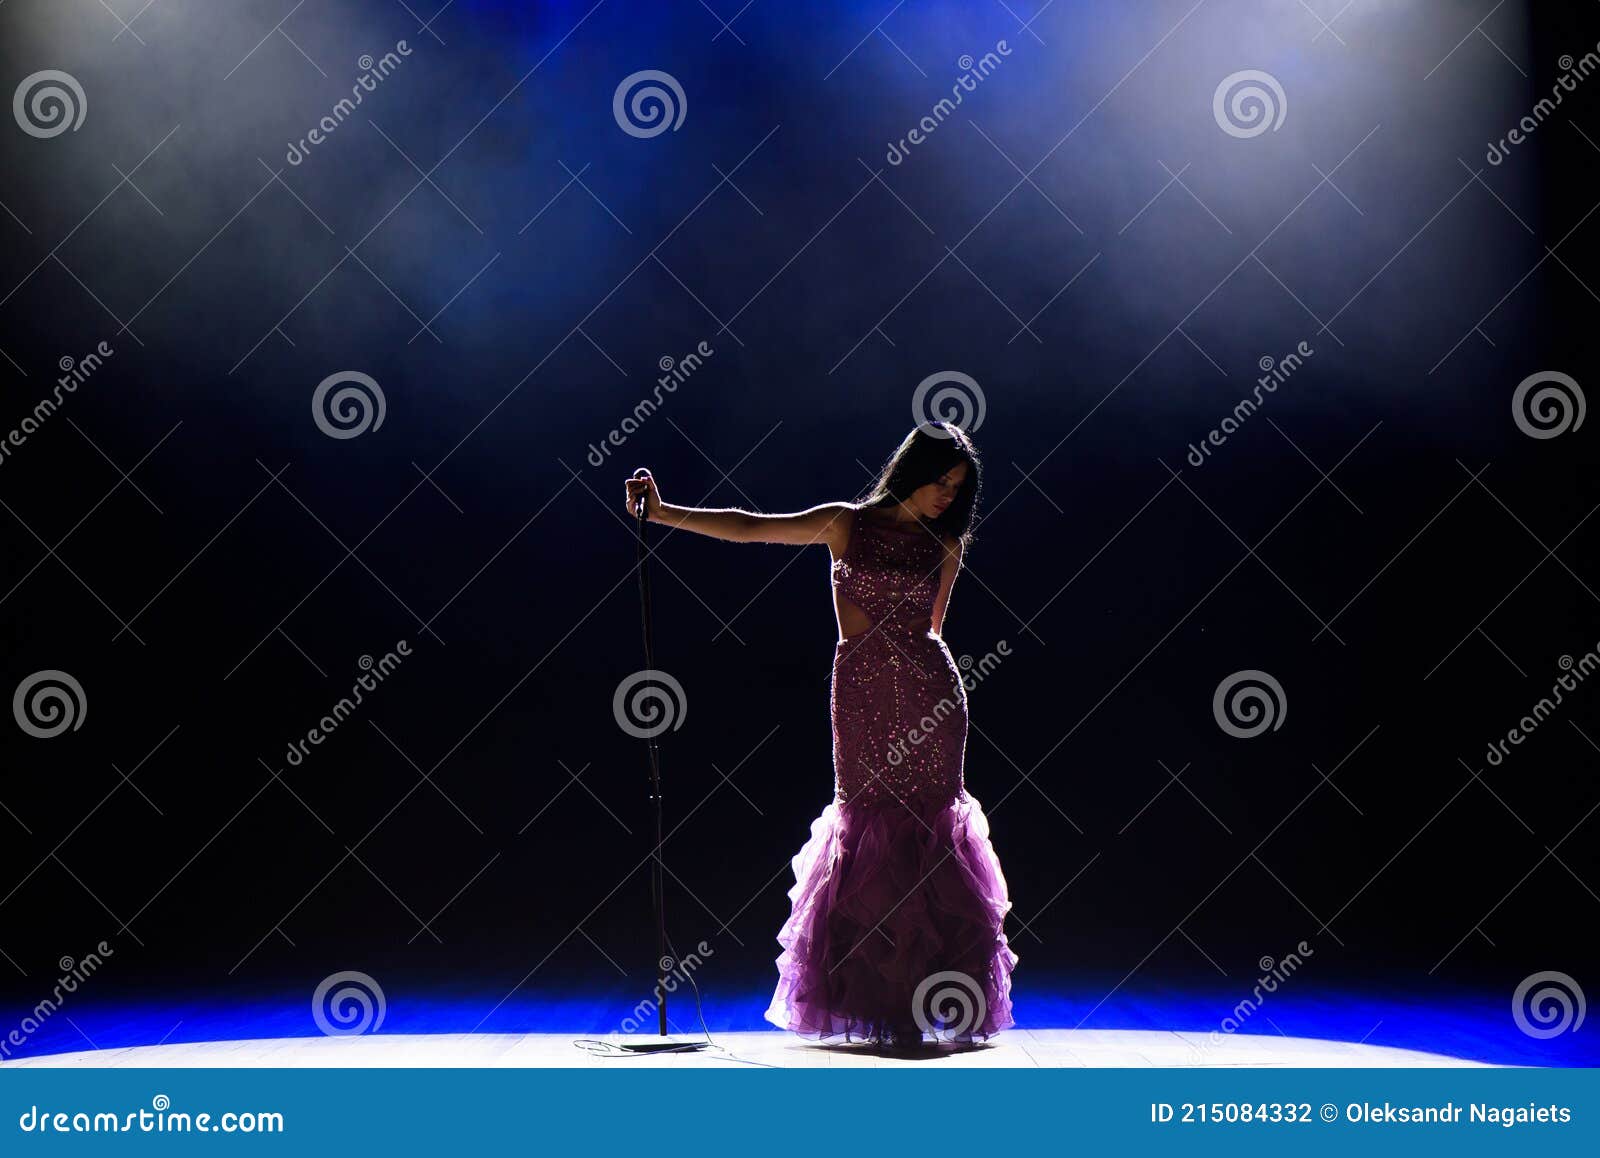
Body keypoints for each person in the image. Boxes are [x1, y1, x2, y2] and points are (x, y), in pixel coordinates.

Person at [623, 422, 1016, 1045]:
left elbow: (934, 627)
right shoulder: (844, 524)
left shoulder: (946, 541)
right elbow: (751, 525)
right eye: (940, 480)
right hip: (859, 694)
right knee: (868, 828)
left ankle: (923, 1006)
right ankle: (879, 1001)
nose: (946, 494)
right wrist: (664, 512)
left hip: (931, 697)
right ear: (911, 469)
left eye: (957, 486)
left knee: (929, 831)